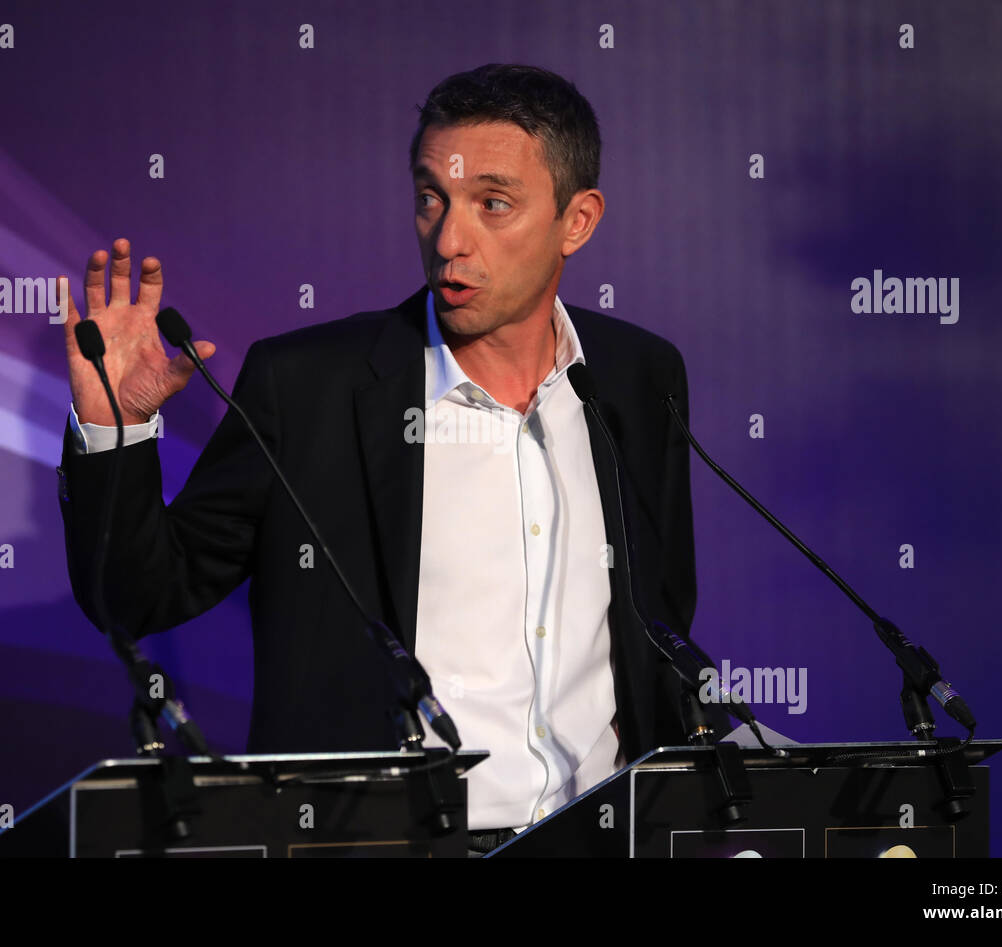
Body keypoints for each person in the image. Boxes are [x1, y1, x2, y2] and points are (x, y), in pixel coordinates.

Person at [58, 63, 721, 856]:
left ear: (576, 221)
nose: (448, 240)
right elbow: (136, 597)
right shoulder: (308, 388)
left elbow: (659, 619)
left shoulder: (638, 378)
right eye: (430, 199)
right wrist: (116, 431)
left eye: (493, 204)